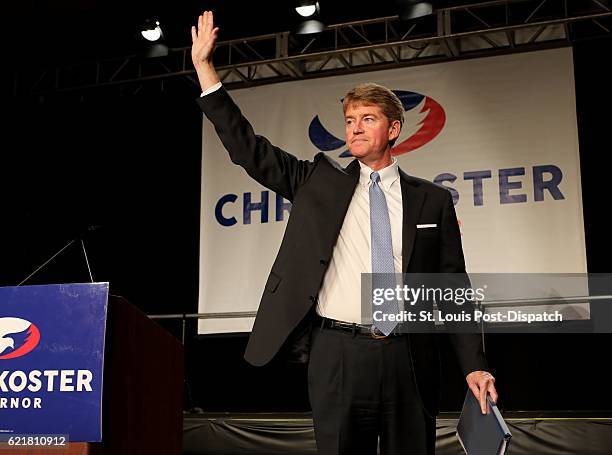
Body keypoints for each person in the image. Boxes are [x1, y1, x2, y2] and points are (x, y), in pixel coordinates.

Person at [191, 10, 498, 455]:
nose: (354, 127)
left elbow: (452, 285)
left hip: (408, 357)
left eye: (367, 119)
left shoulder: (431, 200)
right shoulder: (316, 181)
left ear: (393, 129)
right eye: (350, 119)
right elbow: (247, 149)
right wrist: (205, 69)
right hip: (336, 353)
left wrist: (474, 365)